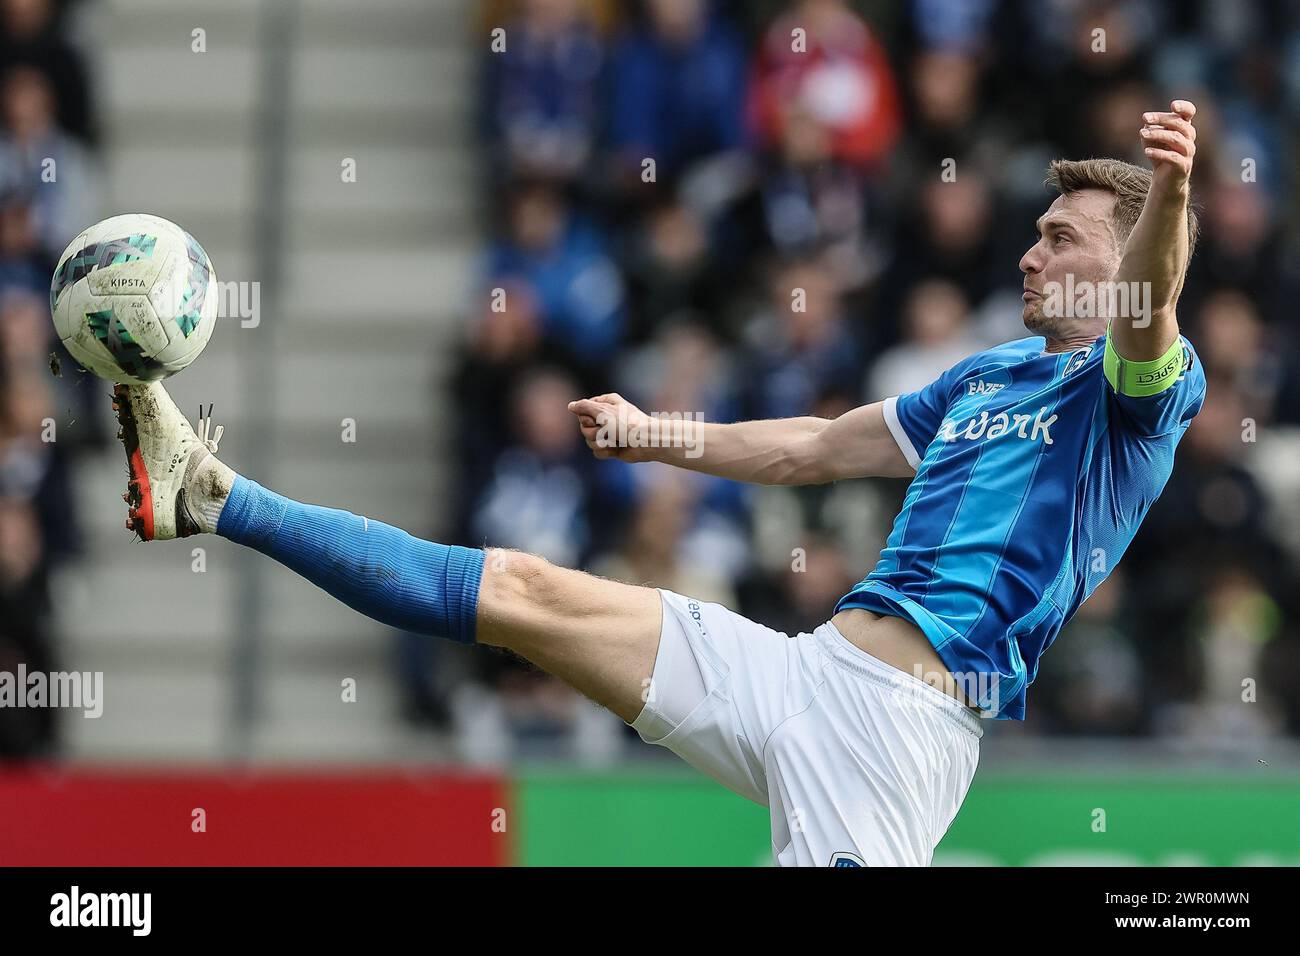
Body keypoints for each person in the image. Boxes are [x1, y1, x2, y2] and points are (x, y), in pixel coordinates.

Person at [104, 101, 1205, 866]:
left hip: (901, 734)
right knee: (525, 592)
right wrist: (652, 432)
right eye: (1033, 233)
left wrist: (1166, 192)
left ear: (1122, 257)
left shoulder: (1139, 393)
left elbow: (1147, 304)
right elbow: (814, 450)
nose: (1029, 254)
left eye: (1059, 238)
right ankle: (211, 492)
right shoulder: (983, 374)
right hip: (804, 671)